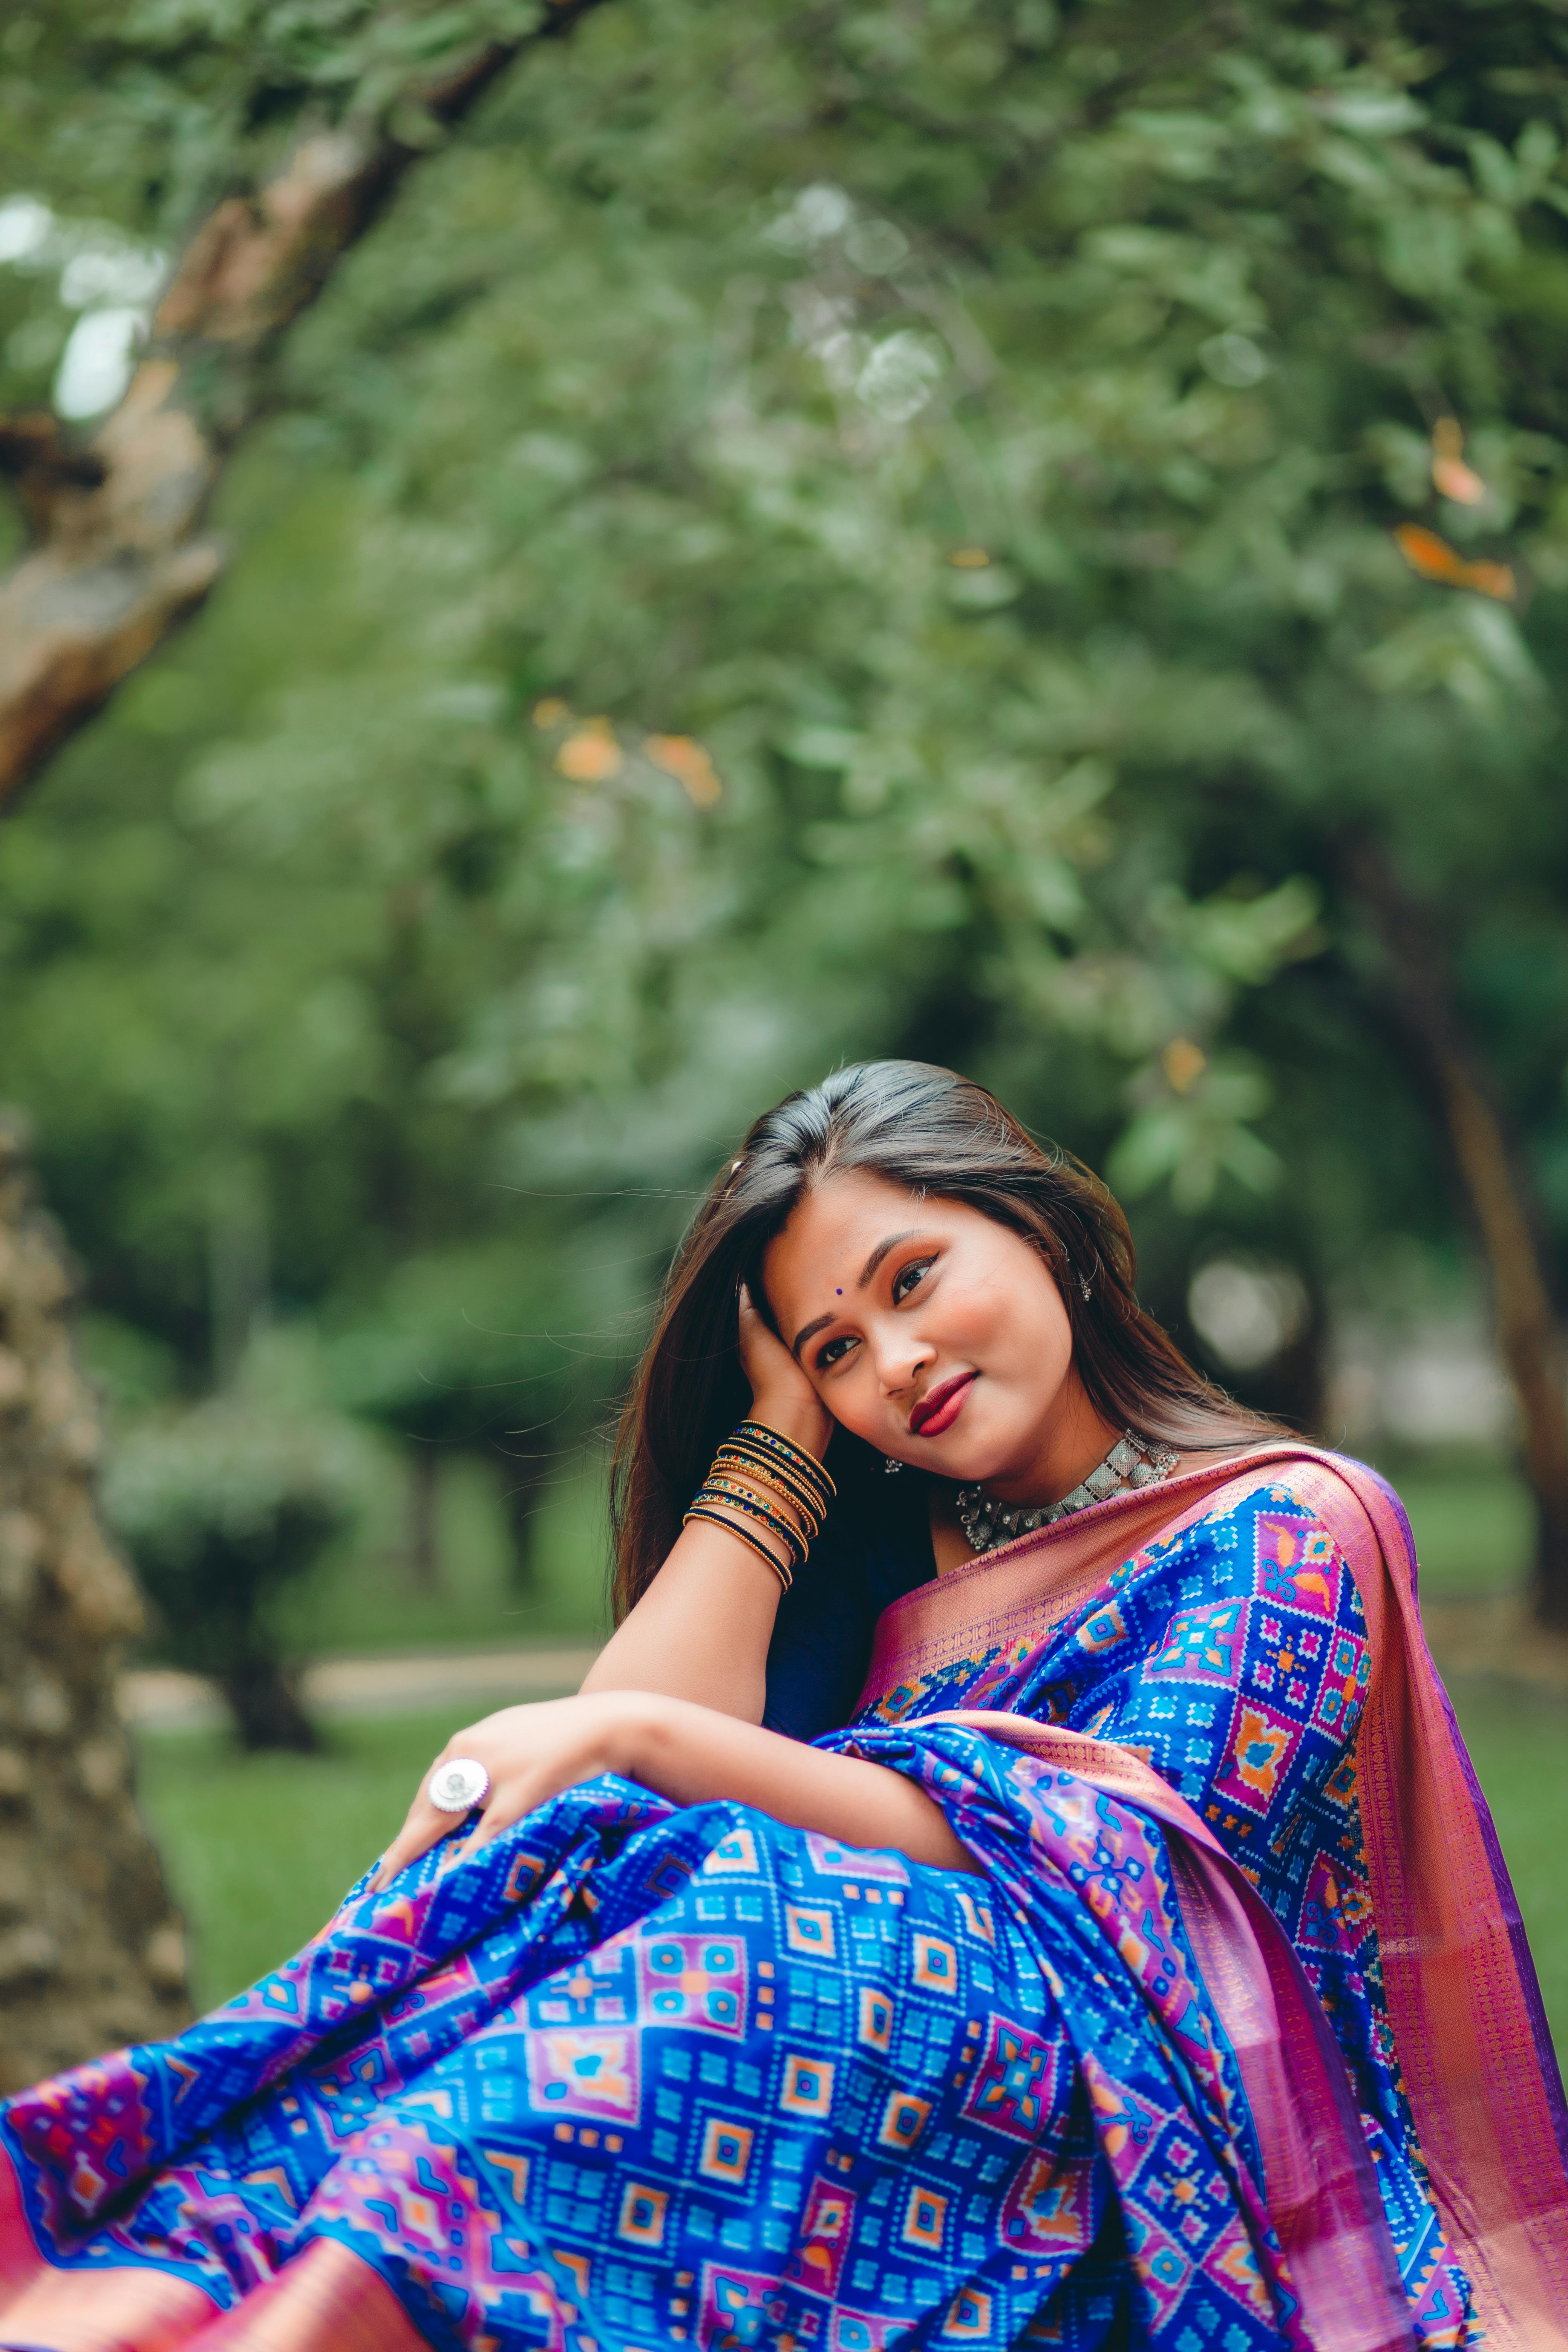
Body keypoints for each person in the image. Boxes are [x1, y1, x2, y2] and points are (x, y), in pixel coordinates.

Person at [1, 1061, 1564, 2352]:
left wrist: (641, 1742)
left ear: (1045, 1232)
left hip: (1147, 2127)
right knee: (584, 1903)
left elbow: (1115, 1870)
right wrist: (776, 1442)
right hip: (875, 2090)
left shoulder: (1287, 1523)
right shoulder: (887, 1565)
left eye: (913, 1280)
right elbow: (605, 1810)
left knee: (714, 1909)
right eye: (839, 1347)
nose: (897, 1359)